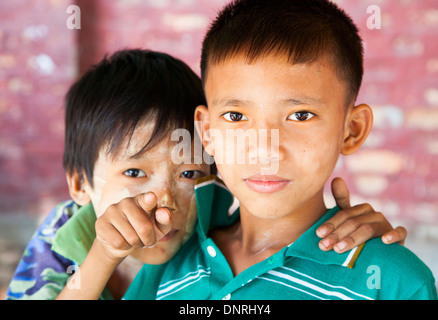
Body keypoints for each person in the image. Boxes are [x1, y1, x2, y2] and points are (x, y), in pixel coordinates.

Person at [7, 48, 402, 300]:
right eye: (133, 171)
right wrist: (104, 255)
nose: (164, 205)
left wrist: (349, 227)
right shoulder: (62, 238)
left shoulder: (217, 212)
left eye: (190, 173)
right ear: (80, 184)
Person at [123, 0, 437, 300]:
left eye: (300, 115)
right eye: (236, 116)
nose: (265, 150)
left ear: (351, 130)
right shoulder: (172, 258)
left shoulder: (394, 282)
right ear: (207, 132)